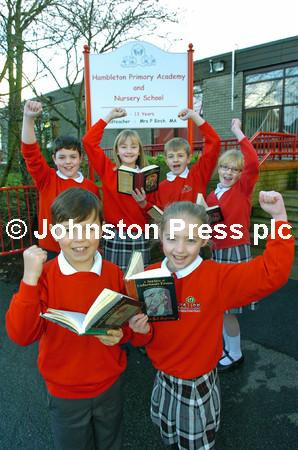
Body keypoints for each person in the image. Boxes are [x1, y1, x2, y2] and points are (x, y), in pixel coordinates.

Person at [129, 193, 294, 450]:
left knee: (195, 444)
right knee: (169, 437)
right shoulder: (148, 276)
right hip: (163, 376)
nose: (180, 249)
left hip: (197, 381)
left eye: (191, 240)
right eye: (172, 238)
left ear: (204, 239)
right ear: (160, 237)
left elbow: (271, 273)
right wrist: (139, 331)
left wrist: (280, 219)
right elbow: (144, 335)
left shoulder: (217, 278)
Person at [6, 187, 151, 450]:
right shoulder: (44, 276)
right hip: (65, 393)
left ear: (102, 230)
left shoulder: (113, 273)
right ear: (55, 232)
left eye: (90, 229)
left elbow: (128, 326)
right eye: (69, 230)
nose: (80, 239)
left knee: (111, 443)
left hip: (109, 385)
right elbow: (22, 334)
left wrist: (126, 334)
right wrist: (29, 279)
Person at [206, 118, 259, 371]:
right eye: (225, 167)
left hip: (235, 251)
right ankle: (228, 349)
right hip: (217, 252)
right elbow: (211, 226)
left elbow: (252, 162)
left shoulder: (242, 189)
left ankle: (235, 354)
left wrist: (238, 132)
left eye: (234, 170)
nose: (229, 173)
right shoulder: (212, 195)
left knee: (228, 309)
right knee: (220, 307)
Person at [21, 100, 100, 259]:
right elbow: (30, 153)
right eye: (62, 157)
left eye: (73, 157)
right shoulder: (47, 179)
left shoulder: (91, 187)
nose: (68, 162)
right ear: (54, 159)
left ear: (81, 159)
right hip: (51, 249)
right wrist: (28, 118)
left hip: (82, 247)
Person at [82, 107, 154, 271]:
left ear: (139, 151)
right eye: (124, 147)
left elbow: (154, 212)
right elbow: (88, 142)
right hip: (114, 234)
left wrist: (144, 203)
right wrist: (109, 118)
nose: (129, 151)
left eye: (133, 147)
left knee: (137, 281)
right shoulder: (108, 170)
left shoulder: (148, 176)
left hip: (139, 235)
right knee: (113, 280)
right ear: (117, 151)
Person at [137, 108, 221, 211]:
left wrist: (194, 116)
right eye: (171, 156)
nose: (175, 160)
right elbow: (156, 213)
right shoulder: (161, 187)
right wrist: (143, 203)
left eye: (180, 156)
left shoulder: (197, 175)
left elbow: (214, 142)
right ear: (166, 160)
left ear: (189, 158)